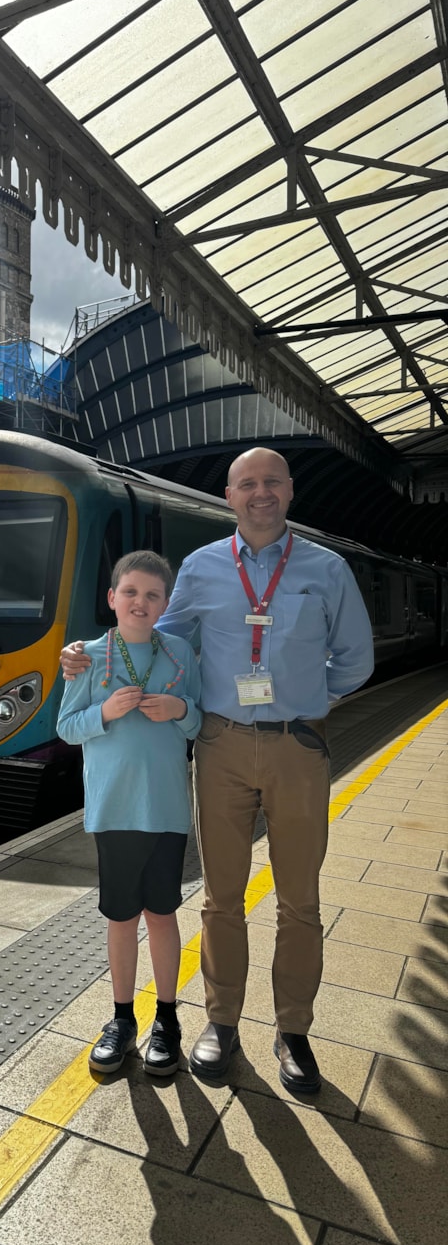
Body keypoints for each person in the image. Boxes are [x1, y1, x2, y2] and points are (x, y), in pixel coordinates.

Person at [61, 448, 374, 1093]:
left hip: (297, 746)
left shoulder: (327, 568)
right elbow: (151, 641)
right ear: (229, 495)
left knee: (300, 900)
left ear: (289, 491)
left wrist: (305, 699)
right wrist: (84, 656)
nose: (260, 492)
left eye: (271, 482)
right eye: (247, 484)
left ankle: (294, 1033)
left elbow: (356, 659)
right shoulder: (202, 569)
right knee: (222, 897)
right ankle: (221, 1022)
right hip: (221, 745)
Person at [57, 550, 202, 1077]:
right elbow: (67, 726)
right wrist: (104, 712)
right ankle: (122, 1019)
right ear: (112, 598)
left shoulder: (180, 653)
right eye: (131, 592)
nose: (141, 602)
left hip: (166, 808)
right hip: (113, 809)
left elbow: (200, 722)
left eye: (153, 595)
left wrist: (180, 710)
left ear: (165, 604)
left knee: (162, 915)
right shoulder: (87, 656)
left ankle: (168, 1018)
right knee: (121, 918)